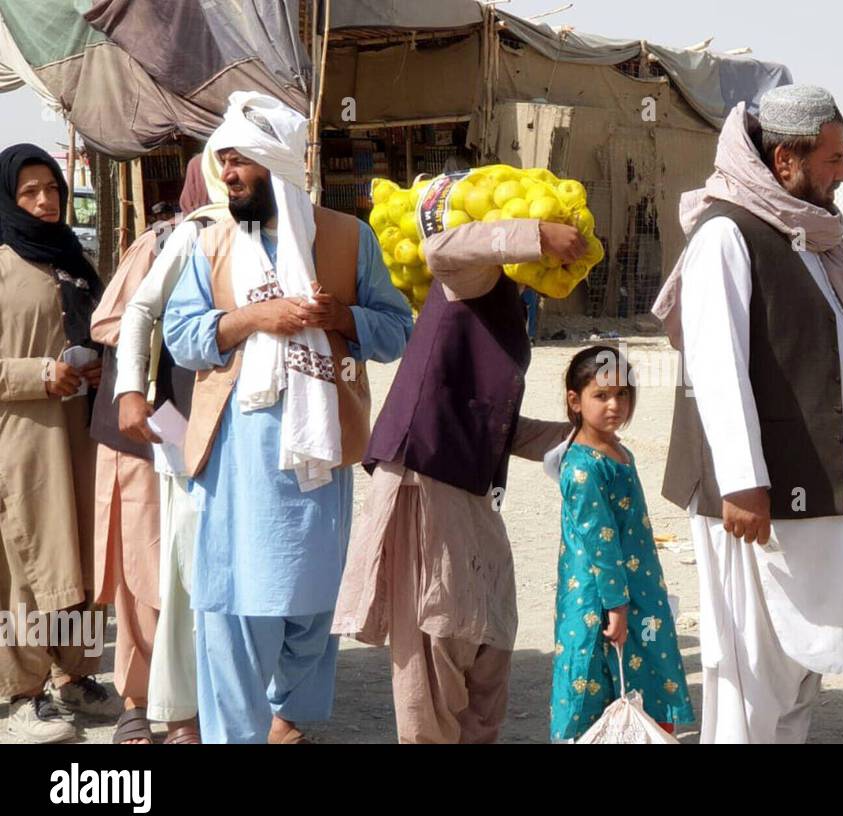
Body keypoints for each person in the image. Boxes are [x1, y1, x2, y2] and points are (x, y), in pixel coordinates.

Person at [163, 92, 412, 744]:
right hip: (235, 469)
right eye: (225, 162)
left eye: (243, 161)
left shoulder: (346, 238)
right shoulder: (211, 243)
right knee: (236, 608)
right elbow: (184, 336)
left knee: (312, 606)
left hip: (317, 464)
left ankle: (286, 721)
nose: (231, 175)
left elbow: (396, 331)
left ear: (277, 163)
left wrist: (341, 319)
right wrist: (252, 320)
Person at [654, 85, 843, 744]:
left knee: (795, 673)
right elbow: (716, 368)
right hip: (756, 506)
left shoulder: (804, 237)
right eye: (833, 158)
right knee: (751, 674)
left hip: (807, 503)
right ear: (786, 160)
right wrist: (744, 483)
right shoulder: (727, 233)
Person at [334, 212, 582, 744]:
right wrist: (534, 235)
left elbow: (495, 422)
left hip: (468, 483)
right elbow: (440, 249)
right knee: (437, 635)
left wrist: (581, 436)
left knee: (491, 630)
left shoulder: (512, 298)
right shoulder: (474, 276)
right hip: (424, 476)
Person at [91, 149, 227, 744]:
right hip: (146, 430)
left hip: (200, 430)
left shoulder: (253, 243)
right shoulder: (165, 240)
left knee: (197, 571)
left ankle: (191, 703)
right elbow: (108, 322)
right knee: (146, 570)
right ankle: (135, 700)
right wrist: (184, 321)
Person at [0, 143, 116, 743]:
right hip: (24, 439)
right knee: (26, 566)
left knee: (85, 563)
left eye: (52, 189)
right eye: (29, 192)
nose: (45, 201)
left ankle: (74, 678)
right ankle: (20, 694)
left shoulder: (74, 257)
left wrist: (94, 364)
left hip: (83, 432)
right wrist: (36, 374)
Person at [549, 346, 694, 741]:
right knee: (592, 681)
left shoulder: (618, 452)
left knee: (643, 676)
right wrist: (616, 606)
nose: (615, 405)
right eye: (602, 395)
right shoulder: (582, 468)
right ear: (575, 401)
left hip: (637, 590)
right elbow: (601, 544)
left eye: (623, 394)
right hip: (600, 600)